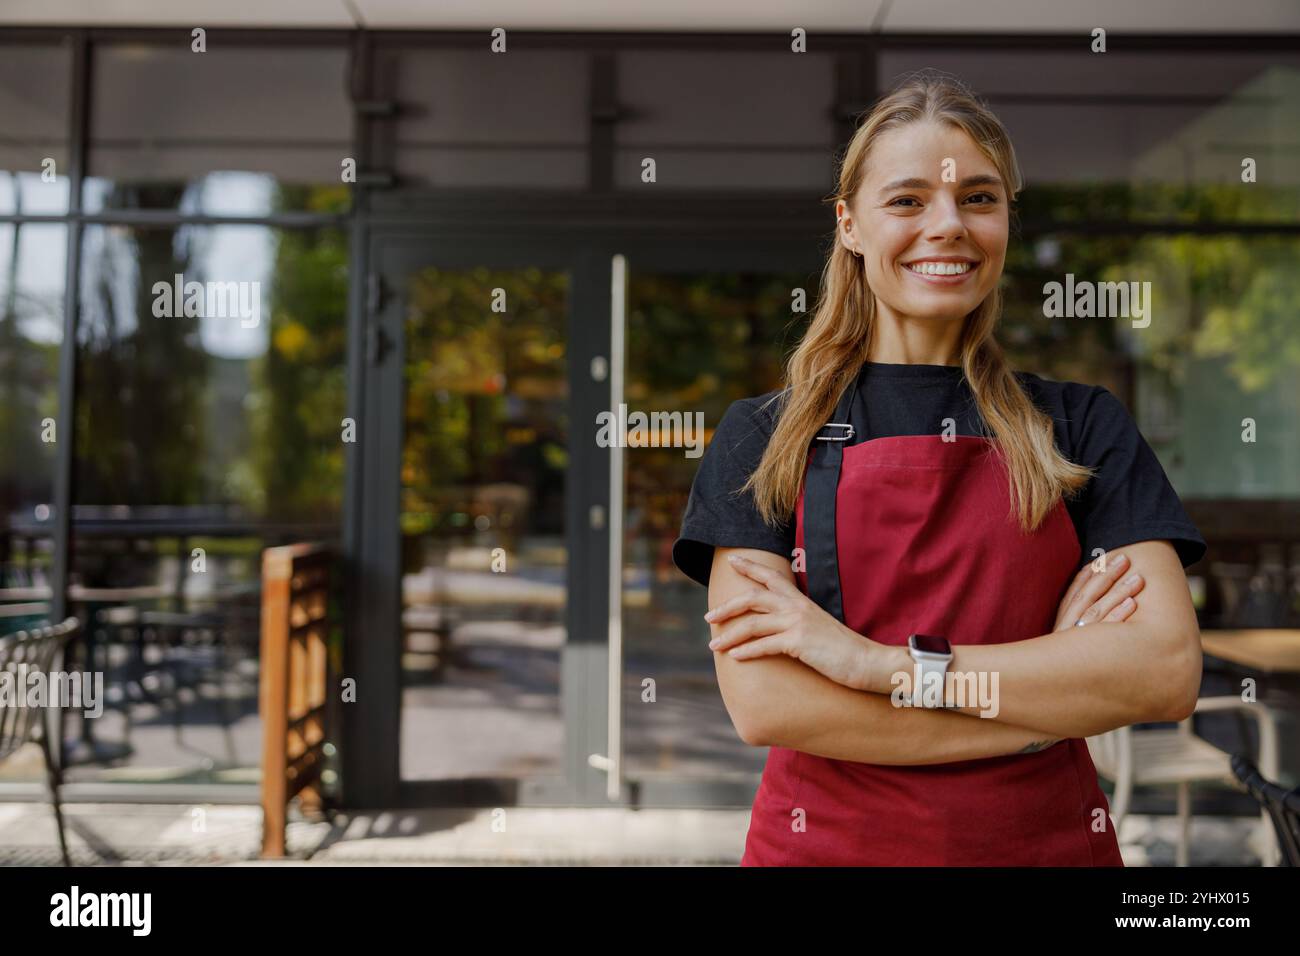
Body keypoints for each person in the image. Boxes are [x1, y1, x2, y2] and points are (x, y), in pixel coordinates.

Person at [671, 72, 1207, 866]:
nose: (948, 225)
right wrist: (1045, 708)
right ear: (850, 225)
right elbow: (769, 704)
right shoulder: (767, 436)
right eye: (909, 200)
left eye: (980, 199)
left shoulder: (1081, 425)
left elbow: (1162, 671)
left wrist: (876, 666)